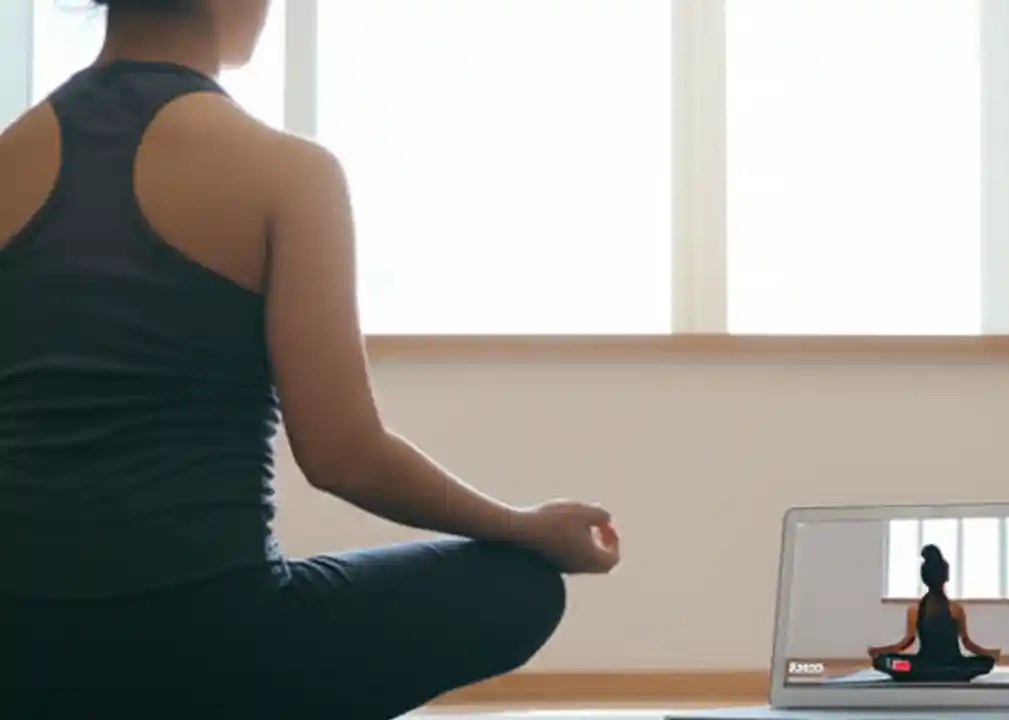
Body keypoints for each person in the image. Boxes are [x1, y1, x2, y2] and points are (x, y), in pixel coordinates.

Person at [0, 0, 621, 716]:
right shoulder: (288, 171)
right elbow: (343, 456)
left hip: (24, 655)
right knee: (520, 585)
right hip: (218, 648)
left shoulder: (11, 158)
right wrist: (522, 524)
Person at [866, 545, 1001, 683]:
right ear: (946, 577)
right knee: (984, 662)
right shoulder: (956, 609)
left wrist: (881, 651)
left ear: (924, 578)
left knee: (887, 662)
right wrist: (989, 654)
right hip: (954, 668)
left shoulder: (915, 610)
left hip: (920, 668)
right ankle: (950, 673)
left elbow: (904, 643)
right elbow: (967, 643)